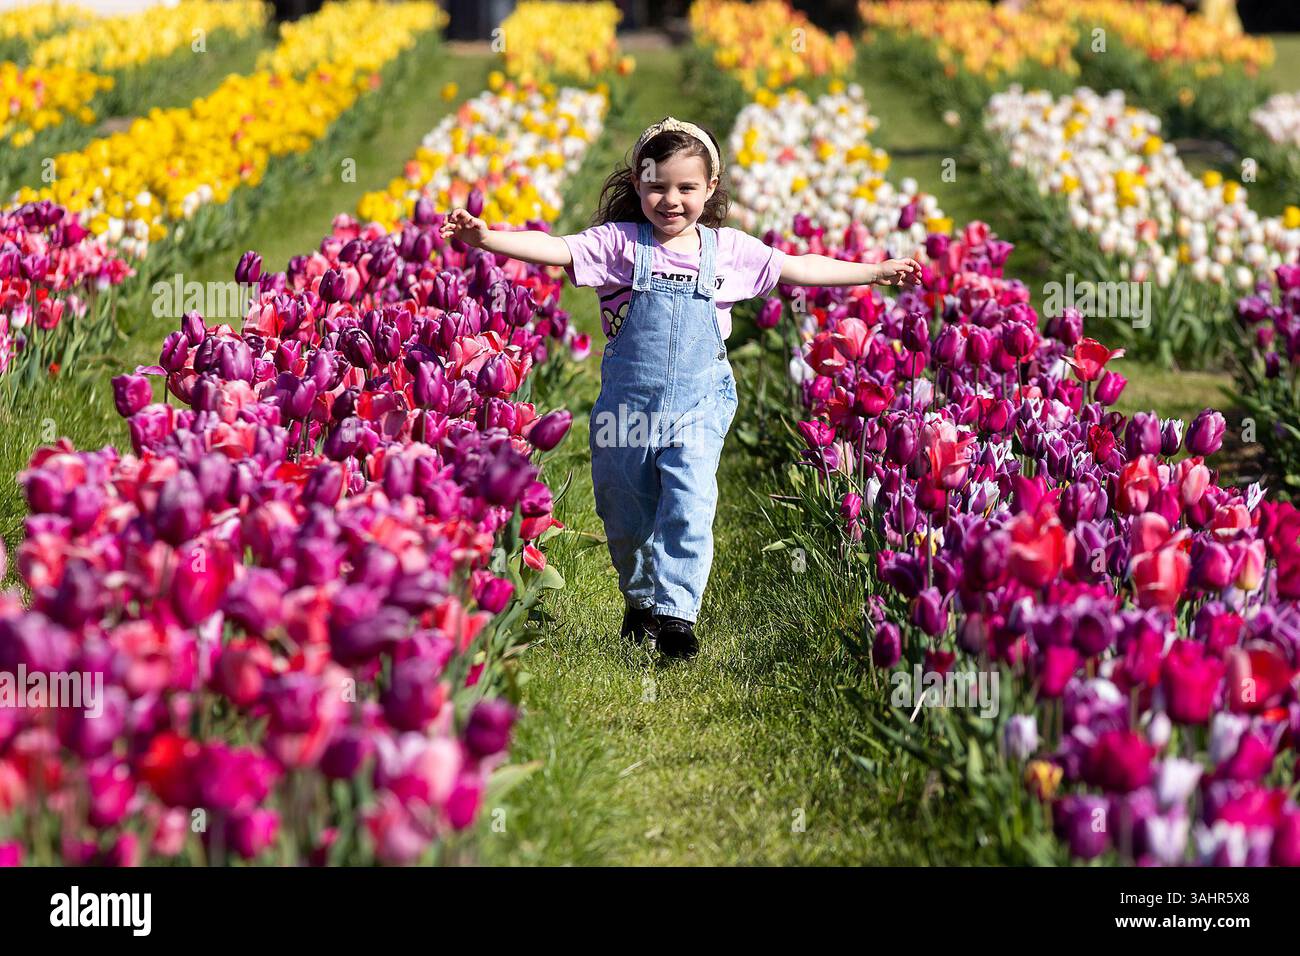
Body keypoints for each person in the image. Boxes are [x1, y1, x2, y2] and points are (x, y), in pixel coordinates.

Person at [442, 117, 920, 658]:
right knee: (624, 508)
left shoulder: (728, 252)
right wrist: (486, 238)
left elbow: (796, 268)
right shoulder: (619, 245)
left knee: (690, 502)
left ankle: (676, 616)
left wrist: (872, 271)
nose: (671, 200)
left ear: (710, 189)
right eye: (657, 185)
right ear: (638, 184)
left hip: (698, 403)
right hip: (628, 405)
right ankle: (640, 598)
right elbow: (555, 248)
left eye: (686, 188)